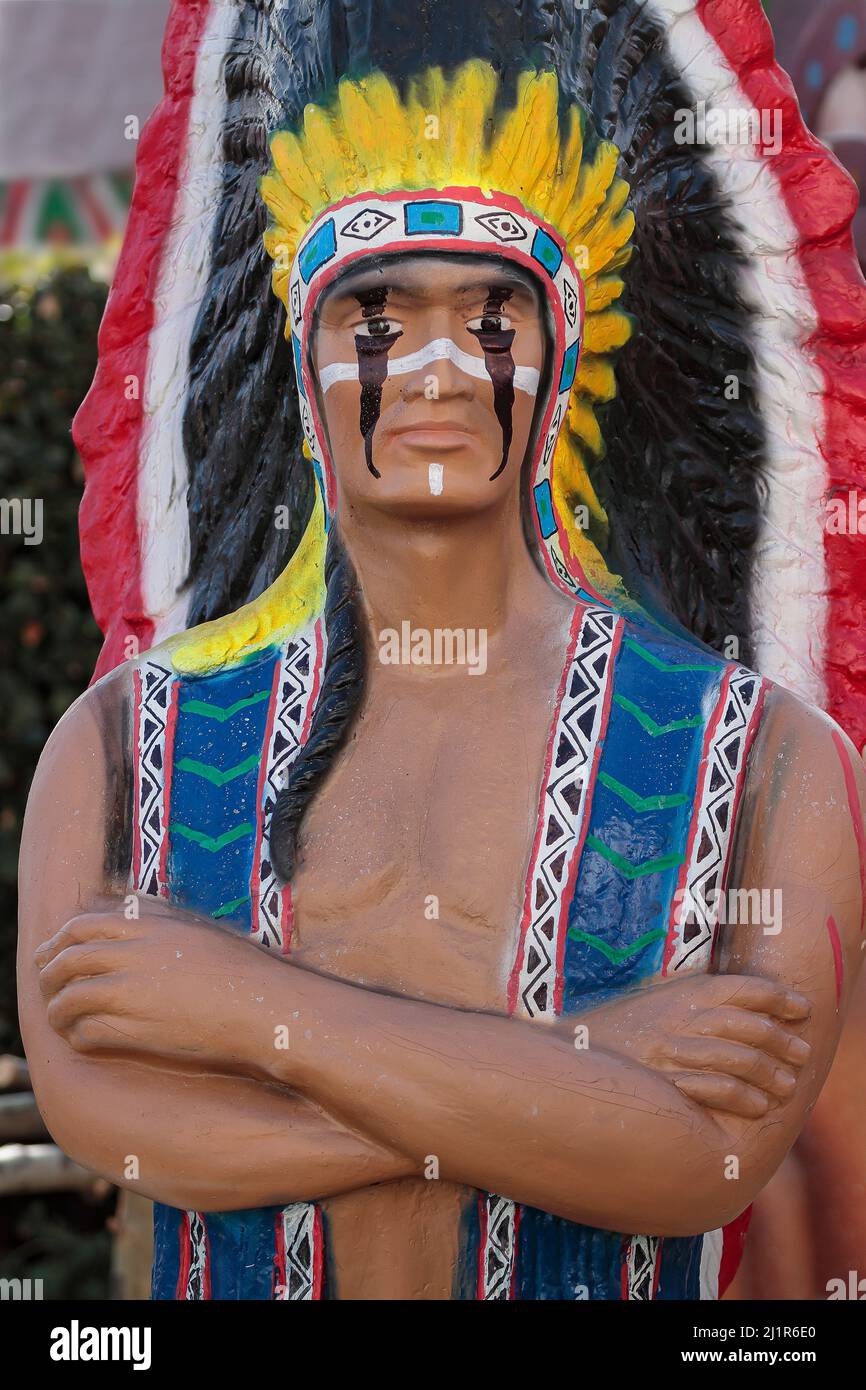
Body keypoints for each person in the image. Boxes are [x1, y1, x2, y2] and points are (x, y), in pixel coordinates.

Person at [17, 60, 866, 1300]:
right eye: (376, 314)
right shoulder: (121, 750)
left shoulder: (763, 758)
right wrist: (587, 1073)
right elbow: (108, 1116)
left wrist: (243, 1009)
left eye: (489, 316)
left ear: (558, 358)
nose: (436, 366)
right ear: (304, 363)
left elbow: (707, 1161)